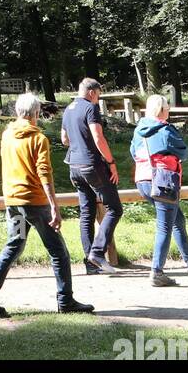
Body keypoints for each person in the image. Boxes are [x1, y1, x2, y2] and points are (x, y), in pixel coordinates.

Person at [0, 93, 94, 317]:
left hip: (13, 203)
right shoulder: (38, 139)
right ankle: (66, 300)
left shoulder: (7, 135)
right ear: (36, 113)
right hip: (35, 204)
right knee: (58, 251)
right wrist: (54, 207)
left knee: (15, 244)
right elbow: (44, 173)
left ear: (18, 112)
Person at [131, 96, 188, 287]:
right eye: (167, 108)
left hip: (143, 181)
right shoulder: (165, 129)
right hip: (163, 183)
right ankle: (156, 272)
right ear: (161, 109)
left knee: (178, 220)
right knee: (165, 227)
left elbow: (132, 152)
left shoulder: (139, 130)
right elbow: (184, 151)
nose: (168, 111)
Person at [60, 78, 122, 276]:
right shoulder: (90, 108)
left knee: (86, 213)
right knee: (114, 208)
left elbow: (64, 140)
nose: (98, 99)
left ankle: (90, 264)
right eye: (99, 95)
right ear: (92, 93)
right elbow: (98, 137)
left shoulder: (68, 109)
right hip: (92, 165)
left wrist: (78, 145)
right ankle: (97, 252)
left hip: (73, 167)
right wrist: (111, 162)